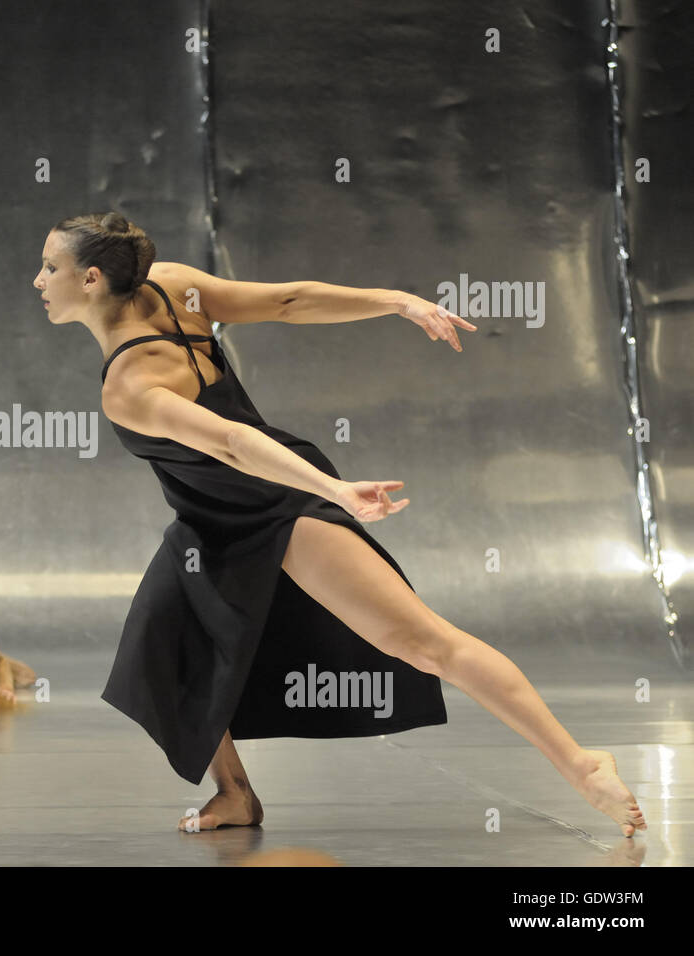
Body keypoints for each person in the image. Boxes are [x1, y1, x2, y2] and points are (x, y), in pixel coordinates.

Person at [33, 211, 646, 838]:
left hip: (279, 508)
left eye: (50, 267)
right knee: (162, 645)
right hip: (210, 522)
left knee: (422, 643)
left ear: (91, 278)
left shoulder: (130, 382)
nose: (38, 280)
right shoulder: (171, 286)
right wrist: (396, 301)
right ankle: (236, 794)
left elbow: (232, 443)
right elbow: (292, 302)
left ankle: (580, 763)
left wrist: (330, 489)